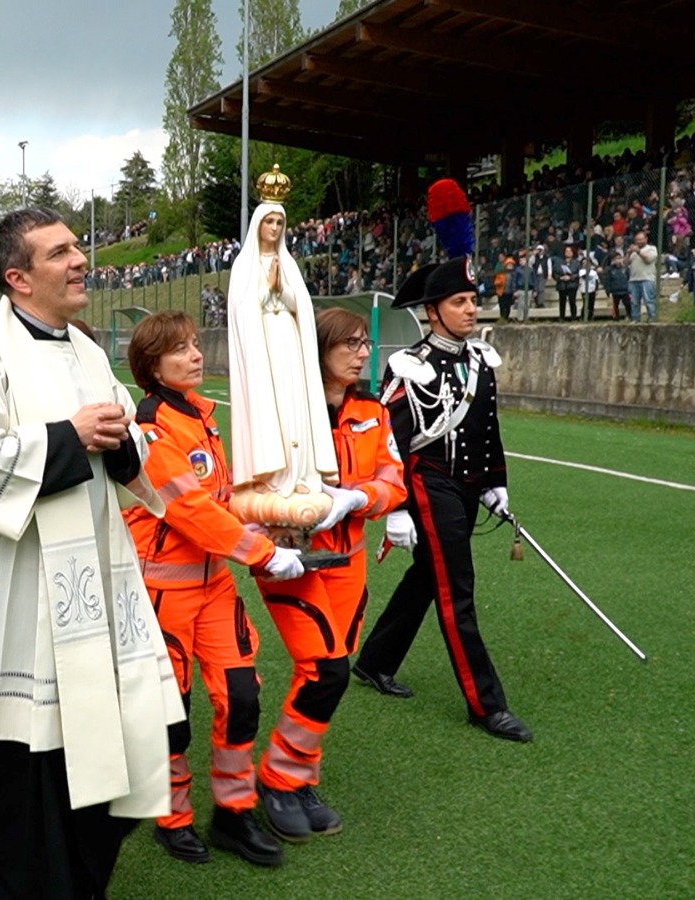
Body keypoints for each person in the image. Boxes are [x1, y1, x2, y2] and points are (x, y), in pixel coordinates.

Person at [0, 207, 182, 896]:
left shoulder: (87, 349)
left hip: (95, 581)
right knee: (32, 752)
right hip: (22, 593)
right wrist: (66, 436)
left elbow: (128, 444)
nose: (80, 261)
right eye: (60, 252)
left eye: (77, 247)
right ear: (18, 277)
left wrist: (124, 439)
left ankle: (85, 865)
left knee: (116, 729)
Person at [123, 310, 306, 868]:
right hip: (164, 594)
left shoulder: (201, 416)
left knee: (243, 699)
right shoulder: (153, 425)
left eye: (197, 344)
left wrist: (254, 525)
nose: (196, 355)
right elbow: (187, 509)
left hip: (214, 585)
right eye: (180, 349)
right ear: (152, 366)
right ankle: (172, 819)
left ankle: (233, 813)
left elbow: (215, 502)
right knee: (171, 713)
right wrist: (264, 553)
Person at [353, 235, 533, 743]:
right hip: (428, 485)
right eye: (459, 301)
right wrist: (399, 508)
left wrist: (496, 483)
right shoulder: (409, 366)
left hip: (469, 485)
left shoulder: (481, 360)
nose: (471, 308)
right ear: (433, 311)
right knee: (458, 589)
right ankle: (486, 704)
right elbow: (395, 443)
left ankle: (374, 661)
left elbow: (488, 429)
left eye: (473, 300)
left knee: (429, 577)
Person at [256, 307, 405, 842]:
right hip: (292, 558)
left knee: (326, 672)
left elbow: (394, 478)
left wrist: (358, 497)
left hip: (348, 557)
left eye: (365, 343)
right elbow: (256, 481)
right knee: (326, 670)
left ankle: (297, 778)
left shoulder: (372, 408)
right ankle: (277, 779)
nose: (363, 352)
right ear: (319, 349)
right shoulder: (286, 412)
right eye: (350, 344)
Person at [226, 166, 338, 528]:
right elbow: (243, 311)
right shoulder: (244, 265)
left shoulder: (288, 263)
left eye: (279, 223)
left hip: (289, 342)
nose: (274, 229)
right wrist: (267, 289)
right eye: (269, 222)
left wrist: (282, 288)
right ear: (257, 224)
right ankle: (273, 474)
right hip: (263, 348)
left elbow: (301, 306)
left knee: (295, 405)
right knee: (268, 404)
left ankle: (301, 473)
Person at [628, 231, 659, 322]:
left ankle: (652, 317)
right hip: (634, 279)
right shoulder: (633, 251)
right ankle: (635, 318)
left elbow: (648, 259)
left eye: (641, 239)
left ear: (646, 239)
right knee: (634, 302)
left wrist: (638, 251)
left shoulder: (651, 248)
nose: (639, 241)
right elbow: (626, 263)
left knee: (649, 300)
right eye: (637, 240)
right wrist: (629, 253)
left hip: (647, 278)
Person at [551, 244, 581, 321]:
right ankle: (562, 317)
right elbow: (555, 273)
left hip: (572, 284)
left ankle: (573, 317)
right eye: (566, 251)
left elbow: (579, 273)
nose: (568, 253)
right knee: (562, 302)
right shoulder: (559, 262)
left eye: (569, 251)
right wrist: (560, 278)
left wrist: (571, 277)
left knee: (572, 301)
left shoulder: (576, 262)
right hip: (562, 284)